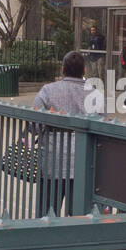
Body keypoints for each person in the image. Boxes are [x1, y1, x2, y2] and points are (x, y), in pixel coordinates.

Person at [31, 50, 89, 216]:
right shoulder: (94, 94)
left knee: (47, 215)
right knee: (78, 219)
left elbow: (33, 125)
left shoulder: (47, 91)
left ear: (62, 69)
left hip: (51, 163)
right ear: (84, 71)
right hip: (82, 165)